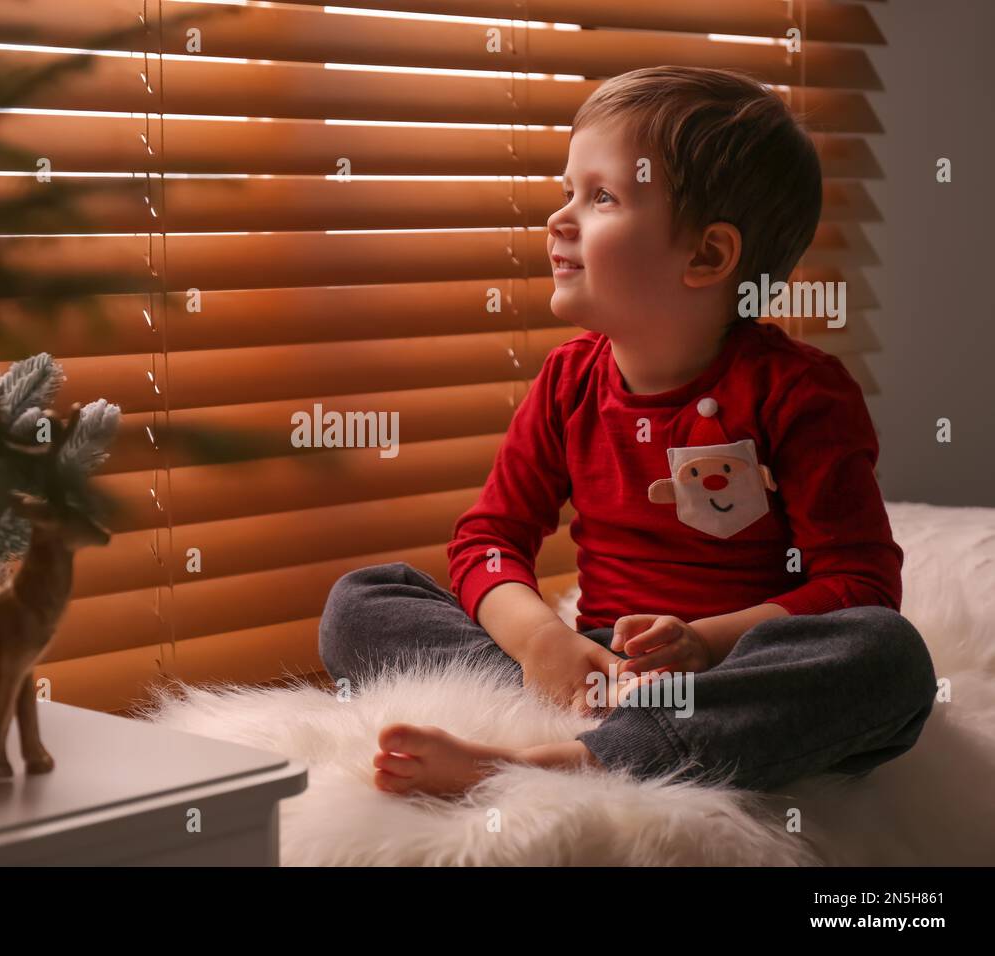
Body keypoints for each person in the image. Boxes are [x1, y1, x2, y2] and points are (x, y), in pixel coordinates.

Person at [318, 66, 937, 797]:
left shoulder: (799, 393)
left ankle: (591, 760)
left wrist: (705, 642)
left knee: (888, 657)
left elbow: (859, 585)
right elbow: (487, 540)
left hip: (732, 671)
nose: (559, 219)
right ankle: (587, 707)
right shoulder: (567, 381)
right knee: (361, 599)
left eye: (601, 197)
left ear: (707, 256)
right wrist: (546, 643)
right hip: (596, 658)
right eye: (566, 192)